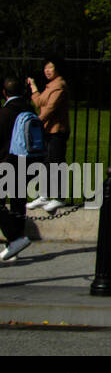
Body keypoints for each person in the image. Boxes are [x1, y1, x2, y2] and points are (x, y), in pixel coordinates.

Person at [25, 57, 69, 211]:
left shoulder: (59, 86)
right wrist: (34, 87)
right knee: (46, 163)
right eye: (45, 68)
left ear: (57, 69)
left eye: (50, 67)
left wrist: (36, 122)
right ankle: (44, 195)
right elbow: (39, 103)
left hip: (57, 130)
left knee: (56, 163)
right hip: (47, 130)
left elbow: (50, 108)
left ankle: (59, 197)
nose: (47, 70)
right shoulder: (50, 86)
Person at [0, 78, 34, 261]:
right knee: (18, 204)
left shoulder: (5, 113)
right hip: (26, 161)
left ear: (4, 93)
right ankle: (15, 244)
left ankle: (15, 239)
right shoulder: (29, 110)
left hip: (6, 162)